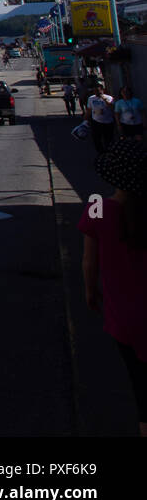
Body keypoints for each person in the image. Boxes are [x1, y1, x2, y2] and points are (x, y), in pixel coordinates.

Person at [80, 138, 147, 437]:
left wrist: (90, 291)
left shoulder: (99, 208)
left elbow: (88, 261)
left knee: (142, 390)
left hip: (126, 318)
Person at [87, 83, 117, 154]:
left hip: (108, 122)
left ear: (102, 90)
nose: (96, 92)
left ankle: (109, 152)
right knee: (96, 139)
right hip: (96, 121)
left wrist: (105, 99)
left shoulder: (109, 98)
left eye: (98, 91)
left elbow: (113, 108)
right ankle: (101, 153)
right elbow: (89, 110)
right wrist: (86, 119)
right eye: (95, 91)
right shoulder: (91, 98)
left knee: (108, 139)